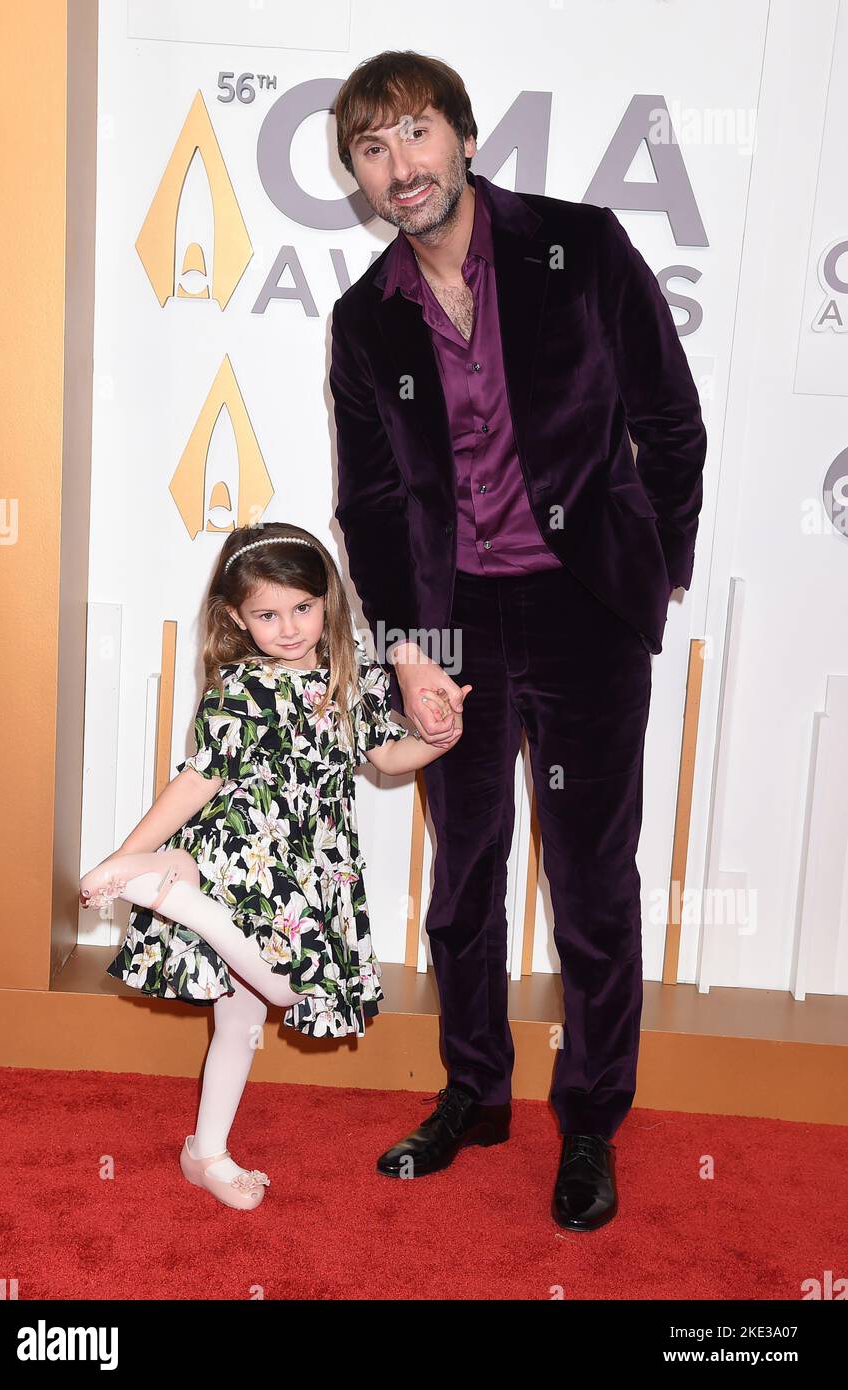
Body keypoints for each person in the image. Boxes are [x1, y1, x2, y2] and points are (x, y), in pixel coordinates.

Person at [329, 51, 707, 1230]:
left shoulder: (580, 248)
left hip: (581, 605)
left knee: (592, 880)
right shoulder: (363, 320)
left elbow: (667, 420)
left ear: (463, 137)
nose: (401, 166)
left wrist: (645, 574)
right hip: (457, 625)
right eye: (372, 149)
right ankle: (474, 1091)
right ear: (356, 178)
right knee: (463, 877)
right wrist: (405, 643)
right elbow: (376, 505)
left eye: (416, 134)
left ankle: (588, 1118)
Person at [79, 520, 469, 1211]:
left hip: (311, 870)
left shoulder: (354, 680)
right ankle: (160, 880)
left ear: (327, 602)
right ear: (236, 617)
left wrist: (439, 739)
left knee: (242, 1020)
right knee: (286, 991)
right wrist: (125, 853)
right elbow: (198, 780)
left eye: (302, 608)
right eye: (266, 614)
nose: (288, 628)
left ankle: (206, 1152)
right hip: (243, 859)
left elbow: (386, 758)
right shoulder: (238, 689)